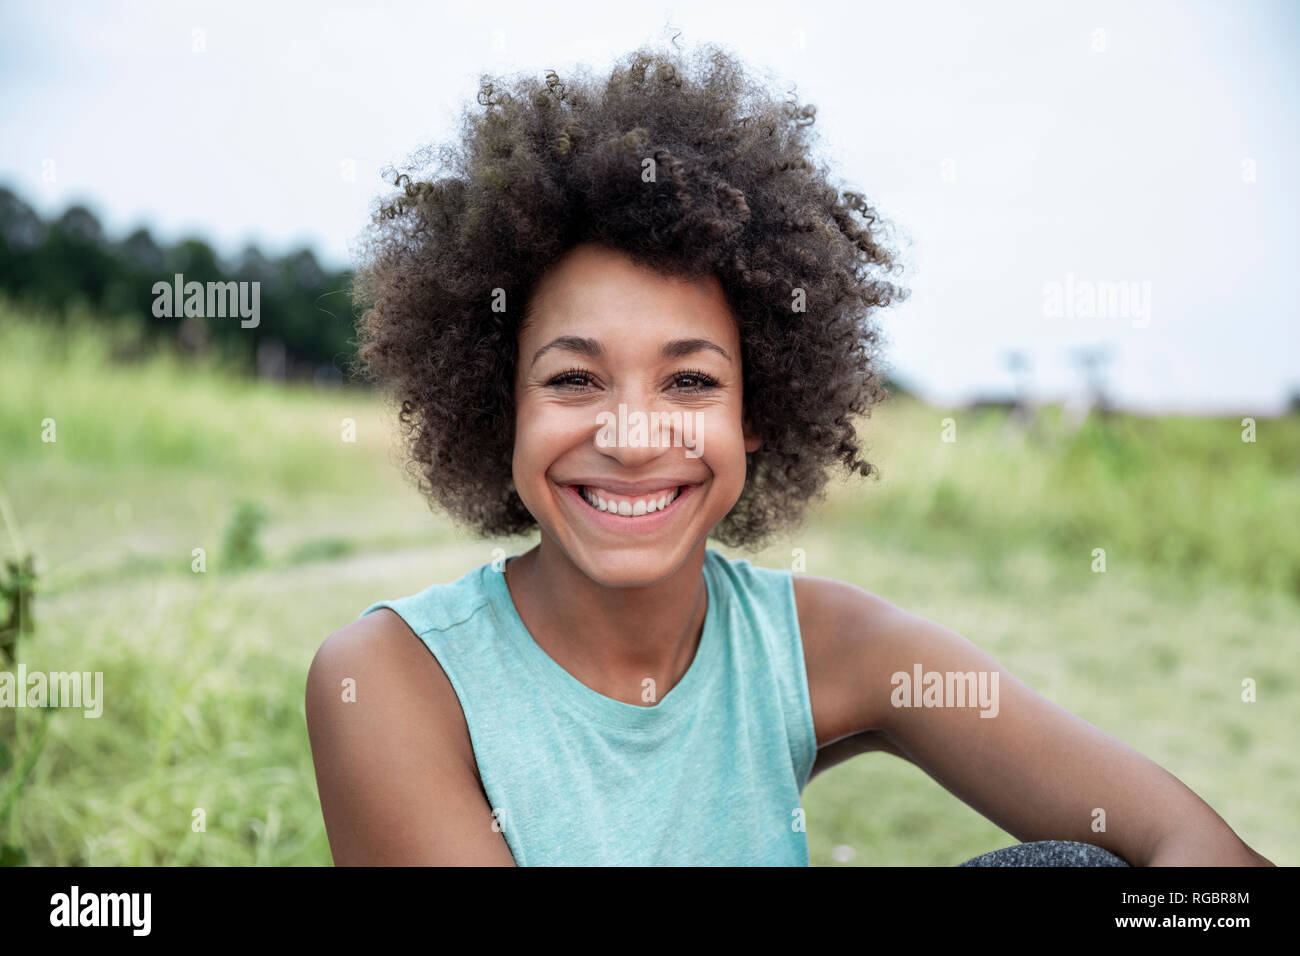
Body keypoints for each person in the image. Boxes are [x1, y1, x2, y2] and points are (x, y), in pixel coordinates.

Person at [304, 40, 1273, 867]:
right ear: (497, 401)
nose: (633, 436)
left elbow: (1192, 847)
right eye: (572, 379)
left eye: (689, 381)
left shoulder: (818, 647)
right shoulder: (389, 677)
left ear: (756, 409)